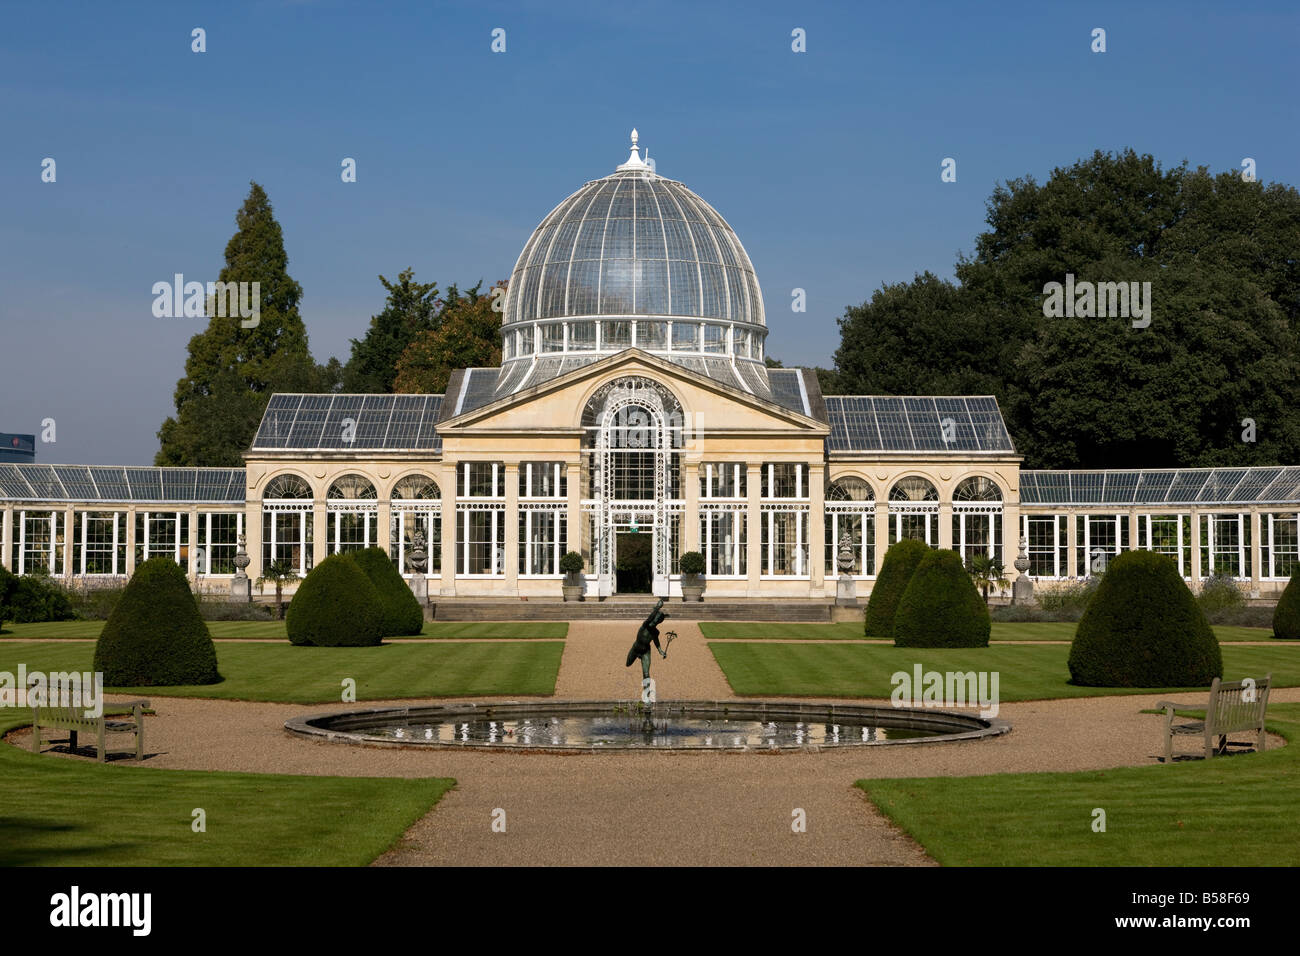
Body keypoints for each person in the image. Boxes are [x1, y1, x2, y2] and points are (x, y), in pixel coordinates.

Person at [625, 597, 674, 680]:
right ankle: (635, 656)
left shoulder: (656, 632)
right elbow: (649, 618)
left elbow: (656, 641)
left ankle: (647, 691)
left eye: (657, 621)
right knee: (628, 664)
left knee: (646, 674)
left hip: (646, 651)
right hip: (635, 649)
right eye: (655, 619)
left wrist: (660, 650)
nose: (655, 621)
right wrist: (658, 607)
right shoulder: (645, 625)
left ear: (659, 622)